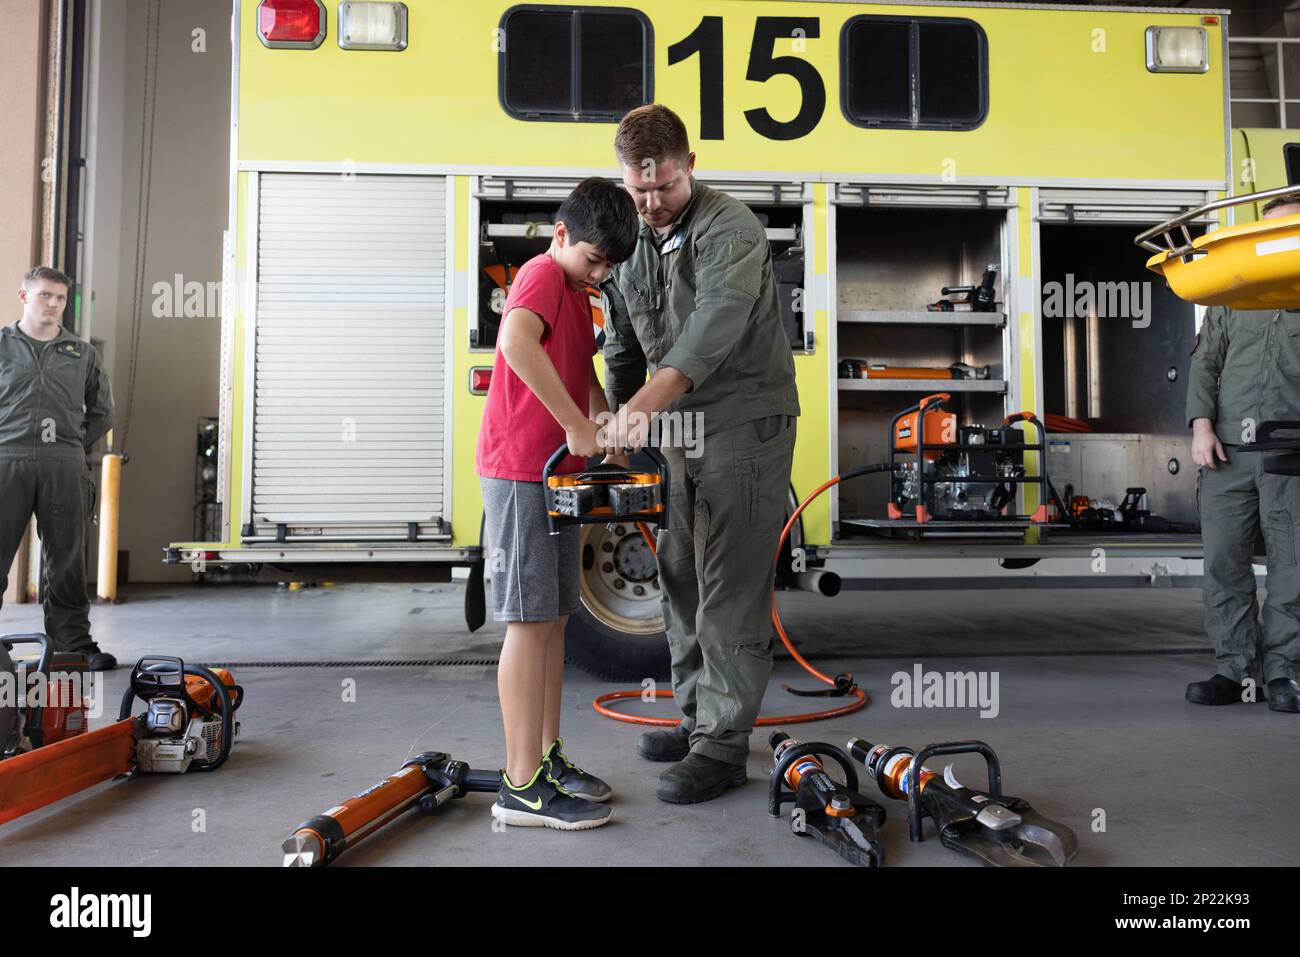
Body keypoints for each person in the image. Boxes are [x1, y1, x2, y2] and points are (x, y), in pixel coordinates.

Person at [601, 104, 800, 803]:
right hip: (677, 433)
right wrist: (619, 434)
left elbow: (710, 329)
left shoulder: (731, 229)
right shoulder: (630, 242)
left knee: (728, 585)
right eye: (638, 190)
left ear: (691, 166)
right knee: (679, 575)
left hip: (744, 425)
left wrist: (640, 410)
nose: (651, 204)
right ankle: (695, 720)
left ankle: (721, 745)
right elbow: (623, 345)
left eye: (664, 187)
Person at [476, 177, 638, 828]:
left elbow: (583, 372)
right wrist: (574, 423)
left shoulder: (577, 293)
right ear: (561, 232)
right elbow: (515, 343)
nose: (599, 273)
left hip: (558, 476)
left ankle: (545, 758)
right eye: (593, 258)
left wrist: (603, 427)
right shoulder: (543, 272)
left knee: (555, 618)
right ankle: (520, 786)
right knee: (527, 620)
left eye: (609, 267)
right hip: (521, 469)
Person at [1185, 196, 1300, 713]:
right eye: (1270, 232)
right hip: (1226, 453)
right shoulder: (1232, 295)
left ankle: (1284, 673)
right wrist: (1201, 426)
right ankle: (1234, 671)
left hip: (1291, 453)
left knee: (1291, 569)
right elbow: (1205, 363)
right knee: (1224, 565)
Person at [0, 267, 116, 671]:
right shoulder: (1, 346)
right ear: (23, 295)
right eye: (45, 295)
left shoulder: (81, 353)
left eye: (61, 298)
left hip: (63, 466)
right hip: (5, 462)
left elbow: (102, 412)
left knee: (67, 559)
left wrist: (67, 445)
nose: (53, 304)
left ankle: (73, 645)